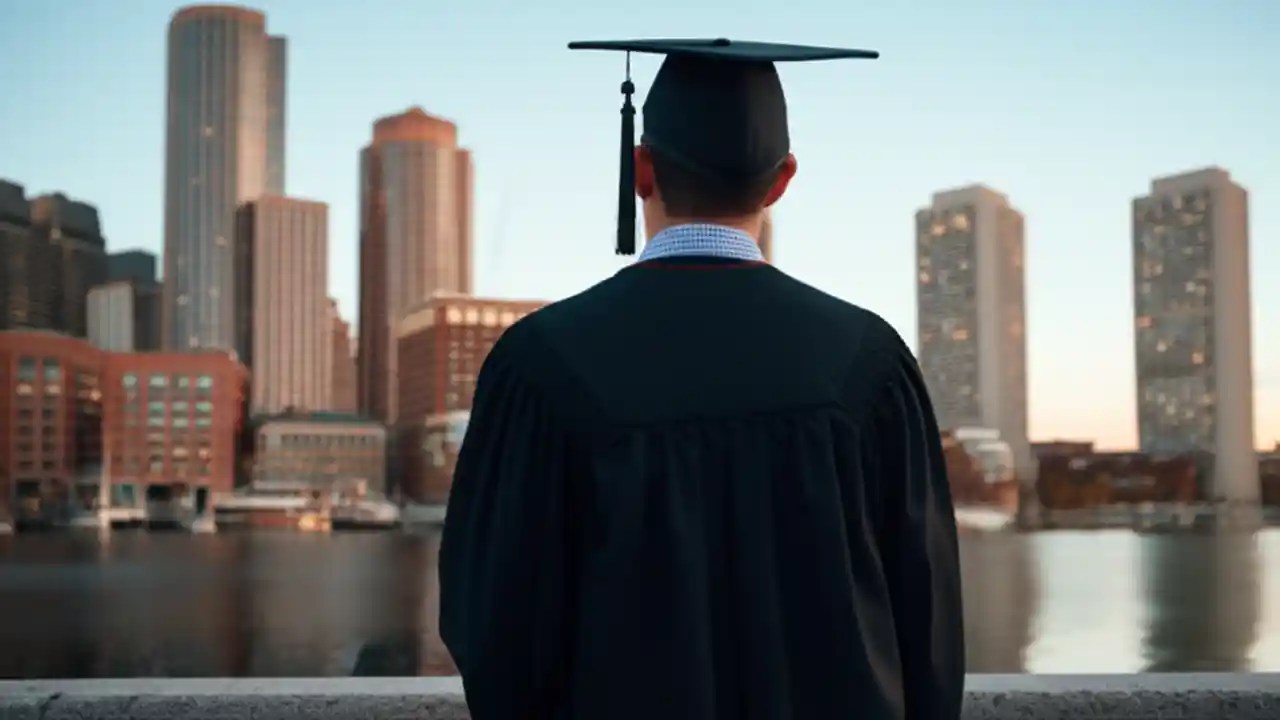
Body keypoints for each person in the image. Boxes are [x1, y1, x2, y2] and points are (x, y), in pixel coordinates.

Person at [439, 38, 964, 720]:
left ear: (641, 169)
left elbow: (492, 630)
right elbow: (927, 630)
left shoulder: (539, 365)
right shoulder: (869, 363)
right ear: (782, 181)